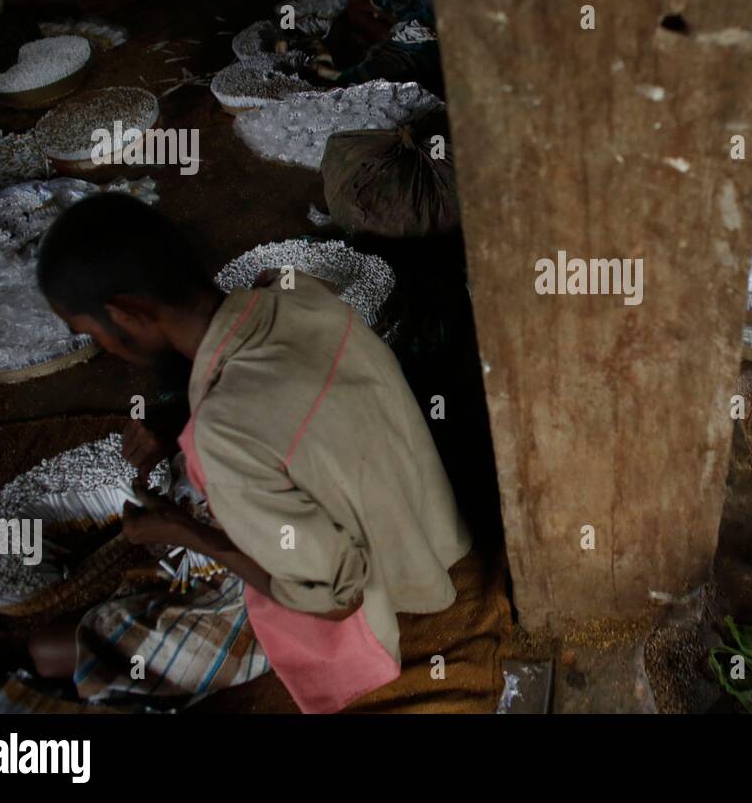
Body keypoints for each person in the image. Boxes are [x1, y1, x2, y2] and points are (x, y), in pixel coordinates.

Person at [31, 194, 472, 712]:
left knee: (51, 649)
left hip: (359, 606)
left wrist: (188, 533)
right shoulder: (293, 293)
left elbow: (333, 597)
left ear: (126, 313)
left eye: (91, 333)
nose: (101, 347)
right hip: (420, 530)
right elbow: (283, 408)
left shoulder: (223, 433)